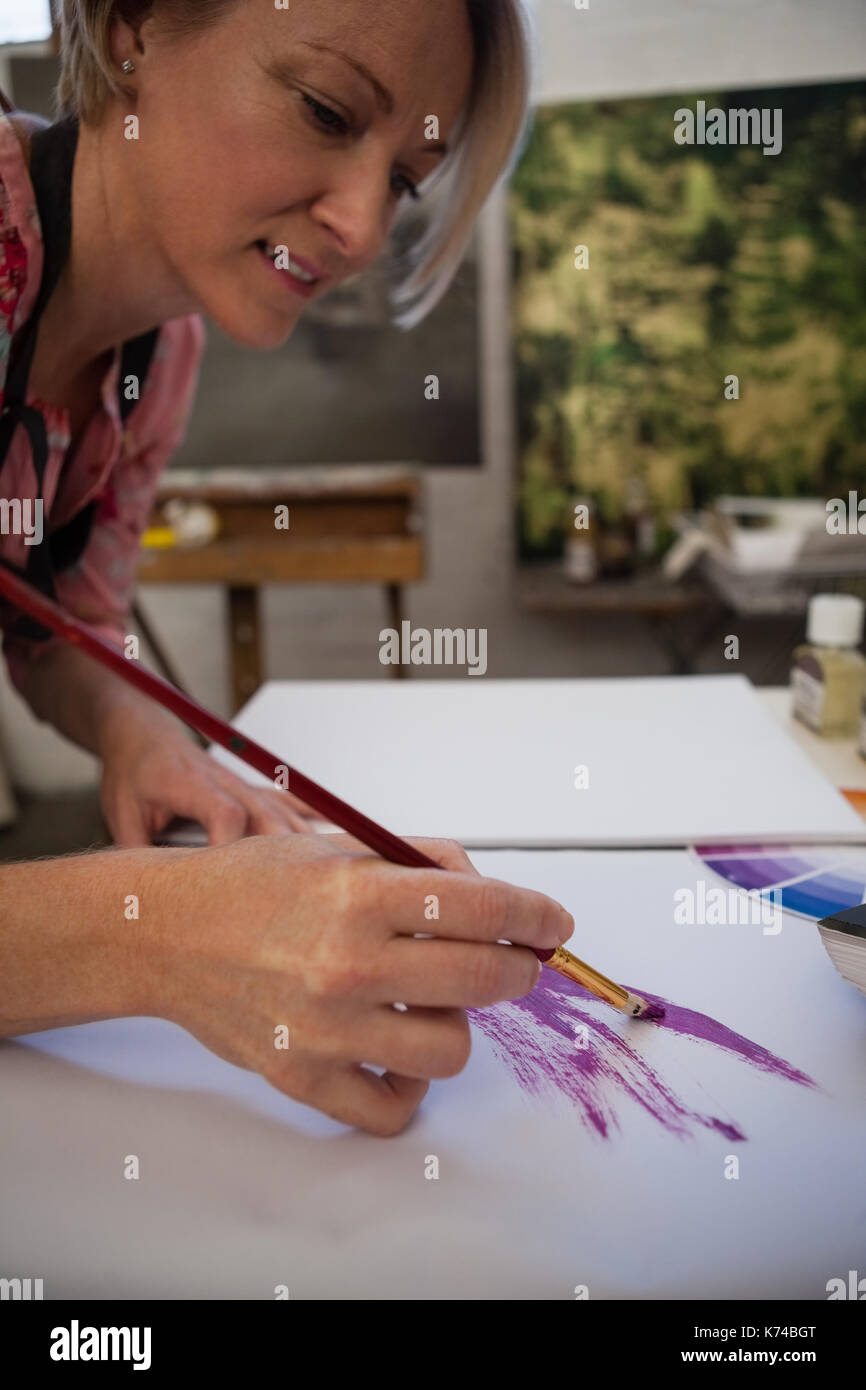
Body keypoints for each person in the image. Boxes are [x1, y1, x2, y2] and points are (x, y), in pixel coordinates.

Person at [0, 0, 575, 1136]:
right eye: (323, 109)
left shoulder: (161, 351)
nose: (363, 224)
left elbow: (62, 622)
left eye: (407, 176)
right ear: (131, 28)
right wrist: (160, 936)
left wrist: (141, 736)